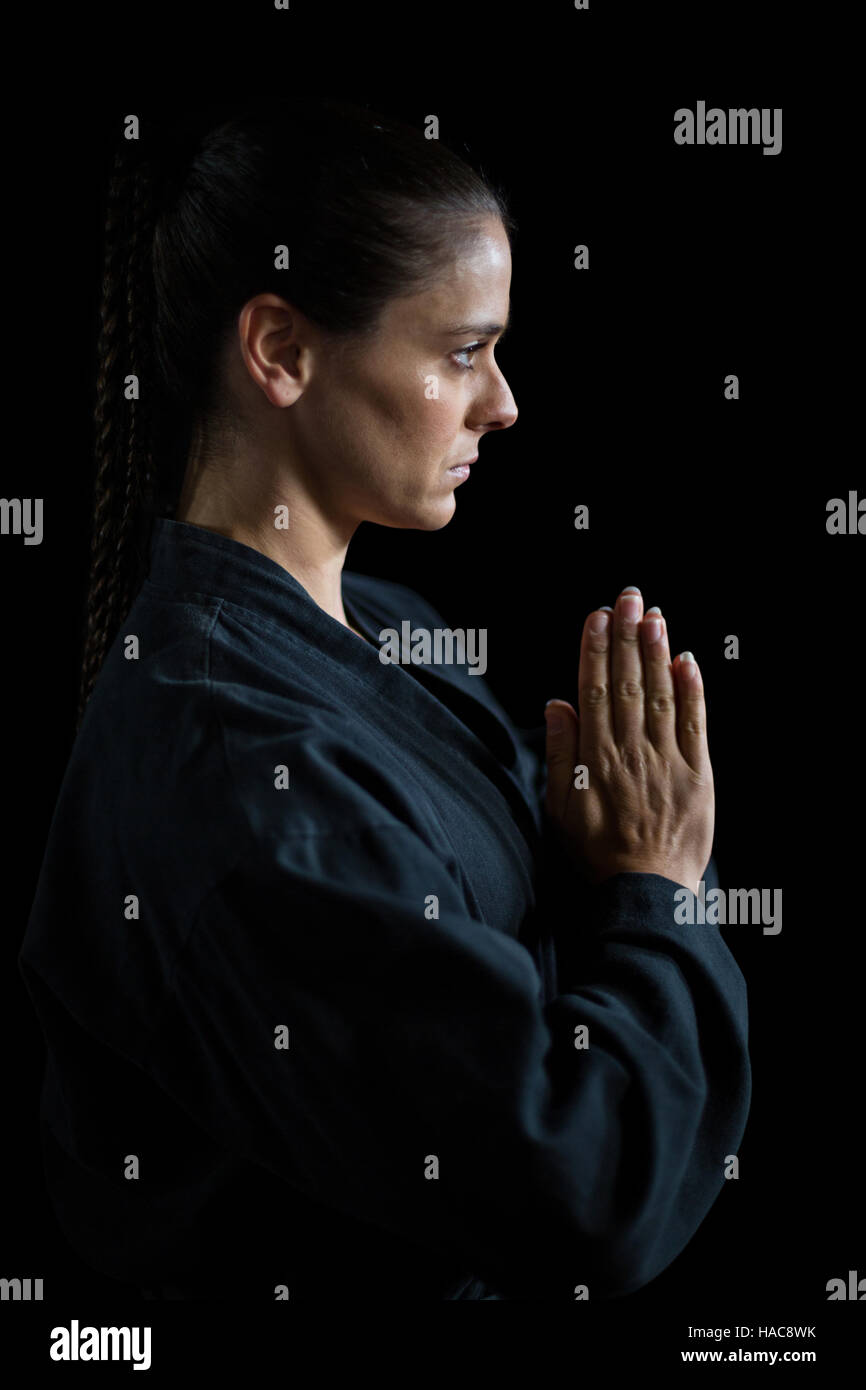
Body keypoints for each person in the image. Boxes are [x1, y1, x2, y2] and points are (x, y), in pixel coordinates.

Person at [18, 100, 750, 1301]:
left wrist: (595, 862)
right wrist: (655, 886)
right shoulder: (237, 775)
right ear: (282, 351)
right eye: (461, 352)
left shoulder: (394, 627)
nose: (502, 402)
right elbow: (580, 1181)